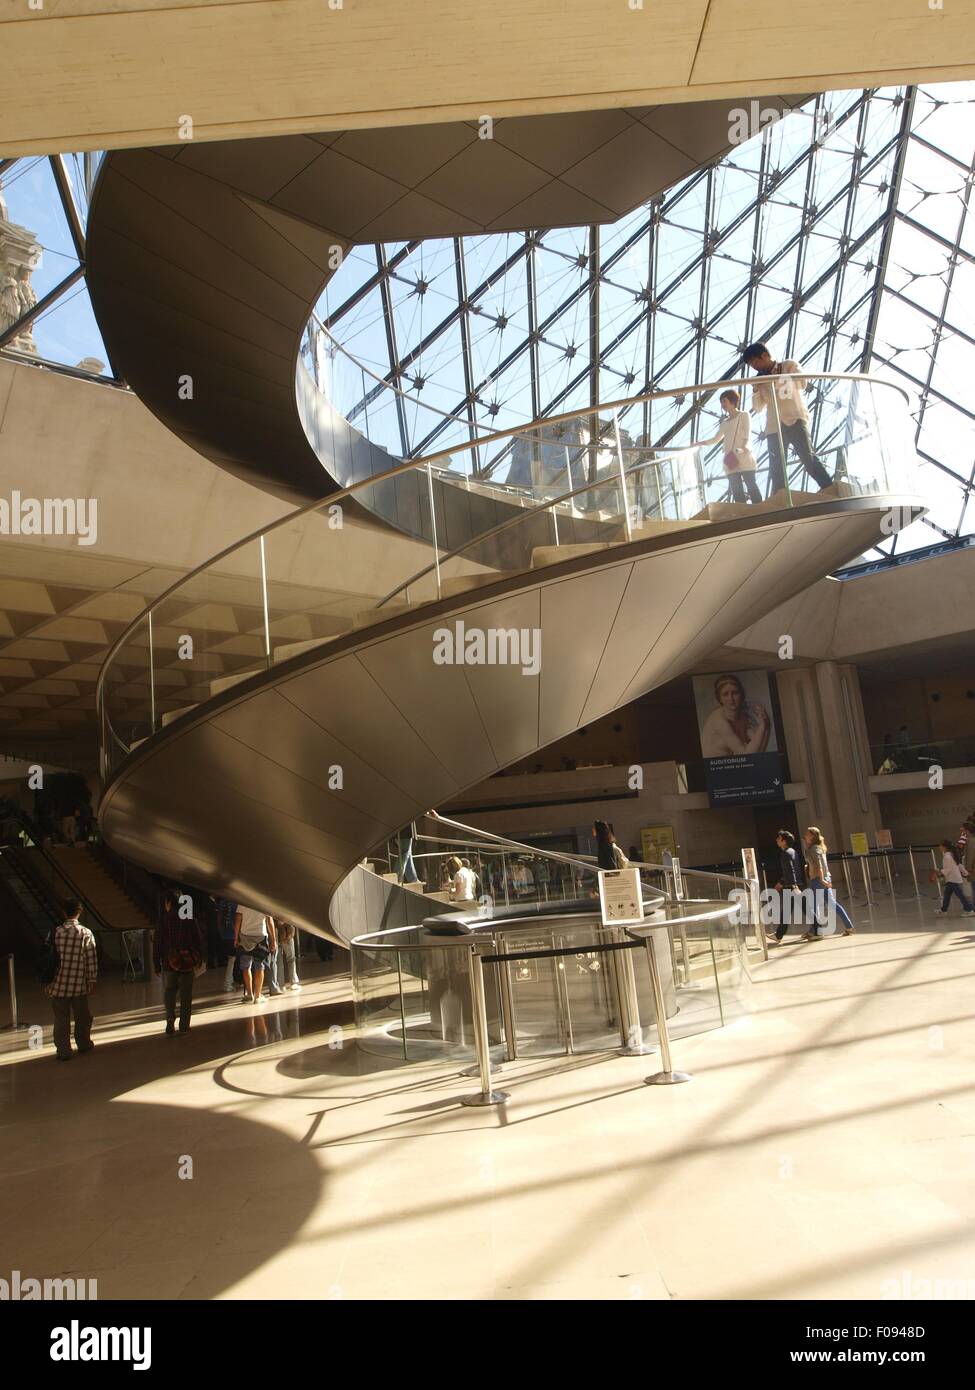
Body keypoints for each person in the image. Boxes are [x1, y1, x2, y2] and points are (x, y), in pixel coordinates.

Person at [743, 342, 833, 493]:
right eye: (751, 364)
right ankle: (780, 498)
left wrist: (777, 381)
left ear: (765, 355)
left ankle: (829, 488)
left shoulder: (788, 365)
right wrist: (756, 390)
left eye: (754, 361)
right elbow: (758, 408)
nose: (754, 366)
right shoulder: (759, 381)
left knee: (807, 457)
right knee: (776, 466)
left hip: (795, 418)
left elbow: (802, 383)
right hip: (773, 426)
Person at [47, 898, 97, 1060]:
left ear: (64, 912)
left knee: (61, 1019)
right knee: (82, 1017)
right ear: (79, 912)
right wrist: (92, 979)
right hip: (79, 985)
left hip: (58, 983)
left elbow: (48, 959)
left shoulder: (55, 933)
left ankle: (63, 1051)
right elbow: (91, 958)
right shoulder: (85, 933)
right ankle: (83, 1044)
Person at [153, 888, 205, 1035]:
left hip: (169, 961)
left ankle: (170, 1018)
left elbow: (157, 943)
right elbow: (198, 939)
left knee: (169, 991)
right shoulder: (189, 918)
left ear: (168, 903)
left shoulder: (163, 920)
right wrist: (200, 956)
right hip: (187, 961)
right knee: (186, 994)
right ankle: (184, 1025)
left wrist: (156, 963)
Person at [697, 389, 763, 504]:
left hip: (744, 455)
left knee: (751, 485)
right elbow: (715, 439)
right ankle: (743, 514)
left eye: (724, 401)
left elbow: (747, 433)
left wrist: (744, 446)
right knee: (737, 491)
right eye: (721, 402)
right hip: (730, 458)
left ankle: (761, 510)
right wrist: (700, 443)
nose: (722, 405)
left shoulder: (744, 415)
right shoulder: (724, 423)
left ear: (732, 400)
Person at [700, 673, 772, 758]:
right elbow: (745, 754)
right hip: (716, 768)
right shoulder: (718, 721)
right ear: (719, 698)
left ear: (741, 695)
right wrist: (762, 726)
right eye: (725, 694)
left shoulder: (742, 717)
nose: (731, 699)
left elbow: (758, 751)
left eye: (735, 693)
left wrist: (766, 726)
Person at [801, 827, 855, 939]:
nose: (805, 835)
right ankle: (849, 926)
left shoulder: (814, 848)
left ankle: (816, 931)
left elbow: (819, 865)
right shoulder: (815, 847)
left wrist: (821, 879)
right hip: (823, 878)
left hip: (818, 879)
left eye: (808, 833)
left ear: (813, 836)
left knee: (815, 906)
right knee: (831, 903)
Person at [768, 830, 805, 945]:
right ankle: (817, 929)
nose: (777, 840)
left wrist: (793, 885)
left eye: (779, 838)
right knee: (803, 909)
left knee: (788, 911)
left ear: (784, 841)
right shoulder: (793, 851)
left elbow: (791, 870)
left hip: (791, 886)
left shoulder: (785, 853)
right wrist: (781, 882)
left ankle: (778, 935)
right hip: (794, 884)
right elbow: (791, 870)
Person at [235, 905, 271, 1003]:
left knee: (246, 967)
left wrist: (235, 938)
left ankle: (249, 994)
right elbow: (269, 920)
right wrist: (274, 940)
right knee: (260, 967)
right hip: (260, 936)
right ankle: (258, 996)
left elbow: (238, 920)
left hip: (245, 937)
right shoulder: (261, 901)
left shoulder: (241, 903)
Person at [934, 840, 974, 918]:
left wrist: (939, 871)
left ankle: (969, 910)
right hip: (952, 879)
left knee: (961, 896)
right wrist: (966, 873)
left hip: (953, 880)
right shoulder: (952, 854)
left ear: (944, 847)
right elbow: (958, 865)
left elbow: (948, 869)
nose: (939, 847)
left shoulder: (947, 856)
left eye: (940, 846)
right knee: (947, 895)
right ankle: (943, 910)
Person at [277, 919, 301, 991]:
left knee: (279, 960)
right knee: (290, 958)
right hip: (286, 930)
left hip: (277, 930)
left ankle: (280, 984)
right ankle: (293, 981)